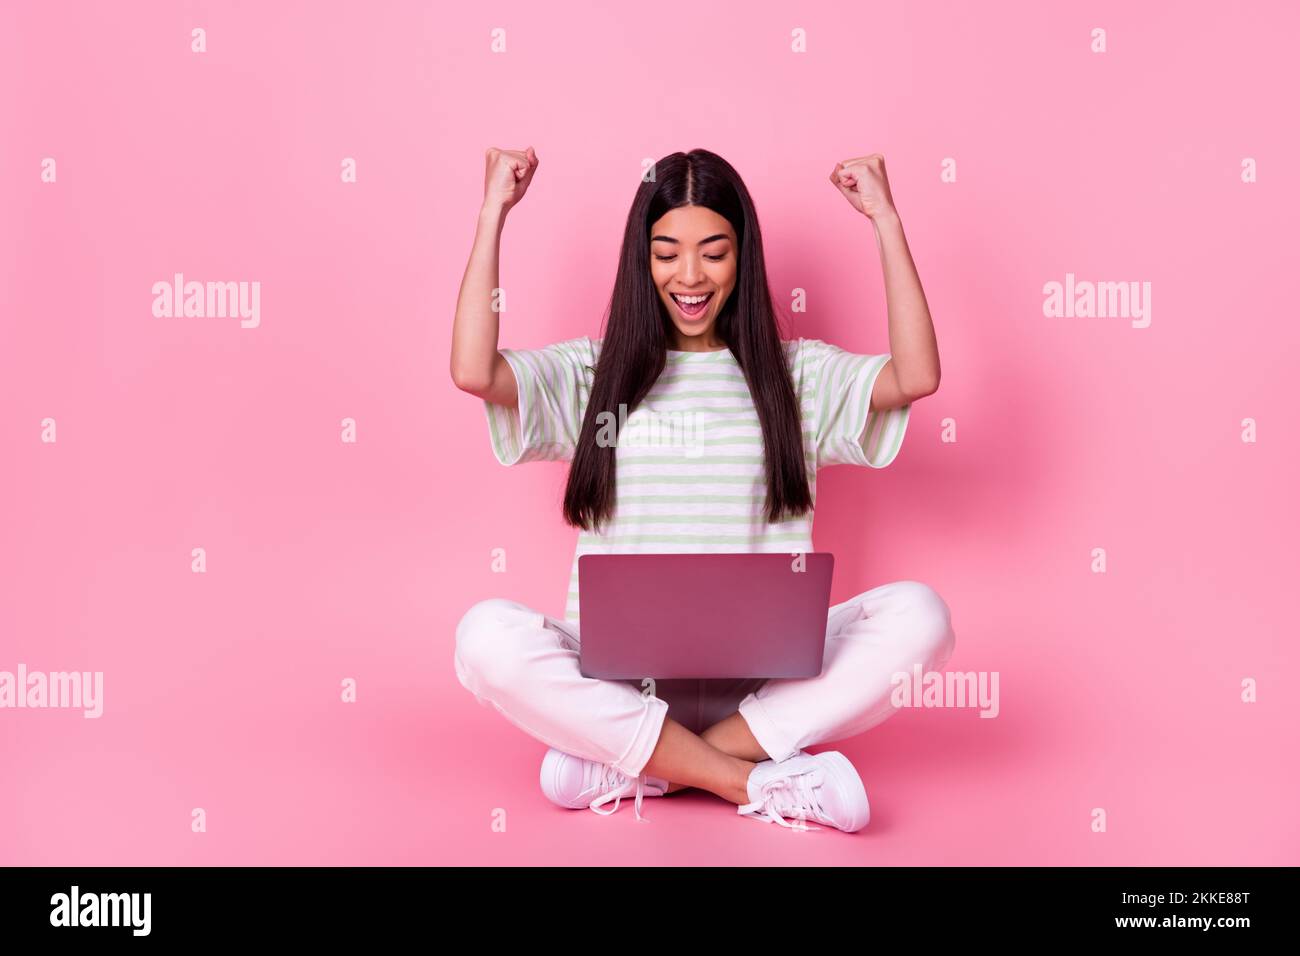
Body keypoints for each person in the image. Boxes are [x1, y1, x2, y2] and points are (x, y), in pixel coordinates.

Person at [450, 146, 955, 833]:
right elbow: (474, 371)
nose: (690, 275)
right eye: (667, 253)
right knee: (483, 638)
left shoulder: (794, 376)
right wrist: (492, 215)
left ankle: (643, 764)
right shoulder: (594, 374)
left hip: (758, 692)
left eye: (714, 251)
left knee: (921, 617)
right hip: (619, 684)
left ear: (743, 256)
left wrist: (885, 220)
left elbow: (917, 375)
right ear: (642, 259)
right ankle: (751, 781)